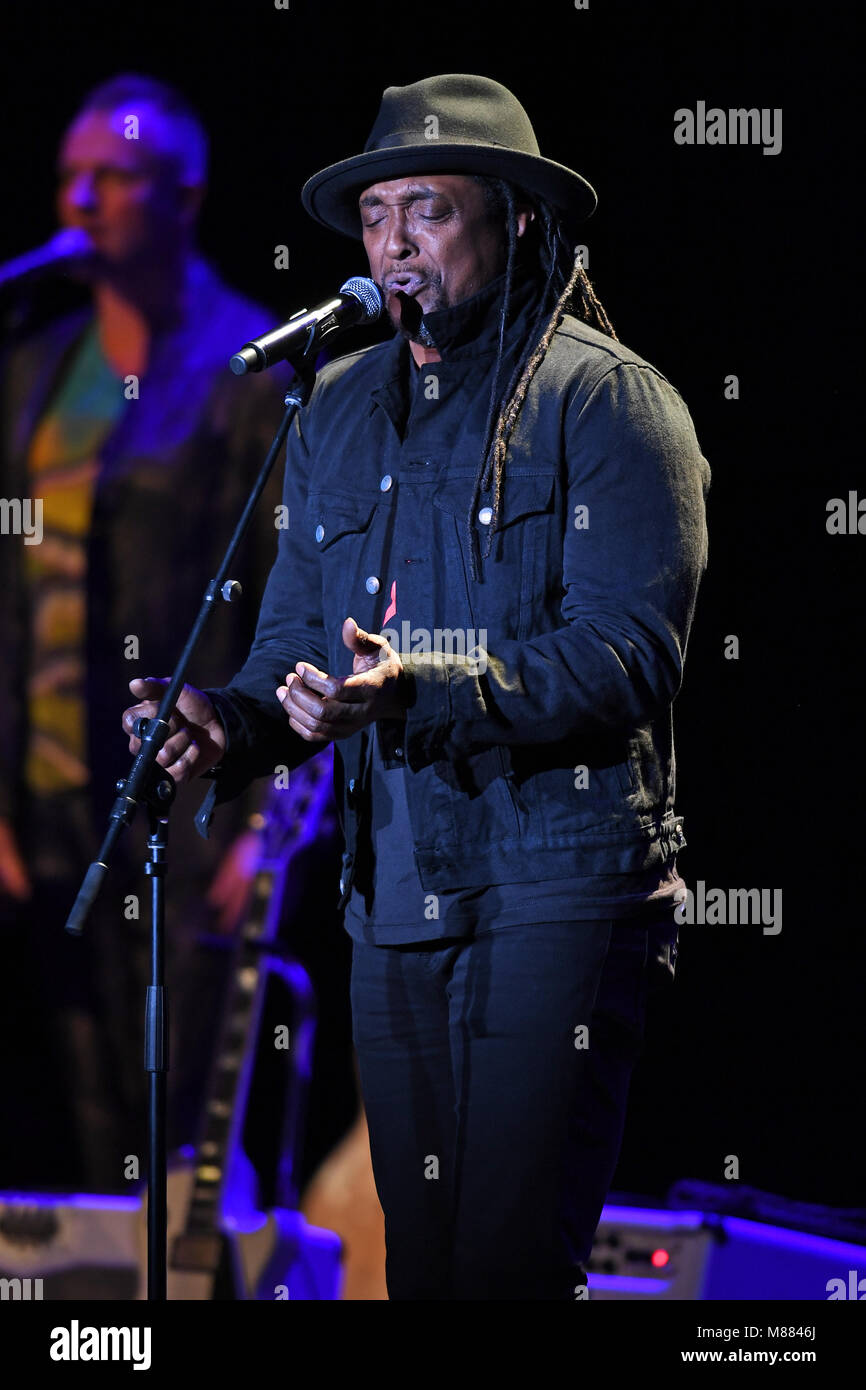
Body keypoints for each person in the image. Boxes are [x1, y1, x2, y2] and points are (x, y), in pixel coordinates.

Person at [122, 73, 711, 1299]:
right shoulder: (334, 410)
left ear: (516, 222)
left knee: (503, 1267)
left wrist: (416, 686)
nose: (391, 242)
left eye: (427, 210)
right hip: (394, 899)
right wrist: (221, 724)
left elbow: (627, 654)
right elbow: (294, 640)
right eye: (377, 215)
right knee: (422, 1273)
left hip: (556, 887)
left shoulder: (608, 402)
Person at [0, 73, 286, 1191]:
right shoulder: (35, 374)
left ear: (183, 196)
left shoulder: (248, 368)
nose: (80, 201)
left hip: (191, 800)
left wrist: (267, 819)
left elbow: (286, 597)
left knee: (183, 1111)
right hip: (54, 793)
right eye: (69, 177)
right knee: (88, 1111)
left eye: (110, 179)